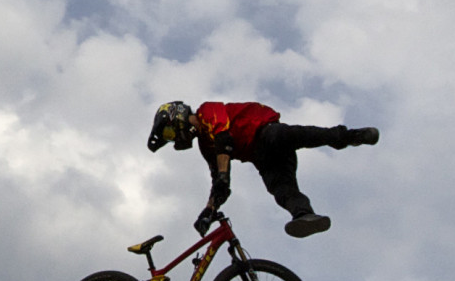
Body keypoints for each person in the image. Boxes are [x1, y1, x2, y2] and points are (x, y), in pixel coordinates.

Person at [147, 101, 378, 238]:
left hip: (266, 132)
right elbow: (218, 181)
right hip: (263, 157)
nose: (173, 138)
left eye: (169, 132)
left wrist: (223, 176)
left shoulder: (207, 111)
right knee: (281, 189)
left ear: (176, 116)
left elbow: (223, 138)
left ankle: (349, 136)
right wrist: (208, 210)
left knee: (295, 135)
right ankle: (304, 215)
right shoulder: (206, 148)